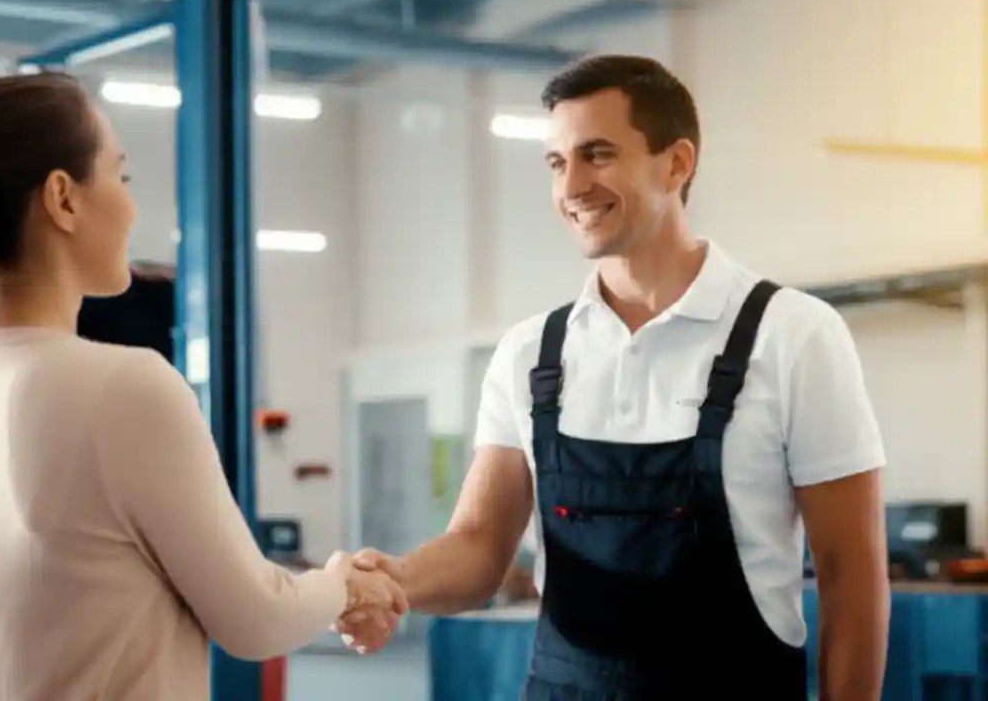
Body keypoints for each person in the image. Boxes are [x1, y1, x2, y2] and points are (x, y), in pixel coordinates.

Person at [0, 72, 406, 701]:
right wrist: (342, 583)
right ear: (63, 198)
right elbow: (256, 619)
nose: (131, 206)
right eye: (121, 175)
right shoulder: (122, 386)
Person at [338, 54, 890, 699]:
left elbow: (851, 577)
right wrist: (393, 578)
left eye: (597, 154)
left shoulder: (793, 334)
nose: (571, 186)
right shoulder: (530, 356)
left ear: (677, 163)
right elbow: (480, 548)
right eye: (555, 162)